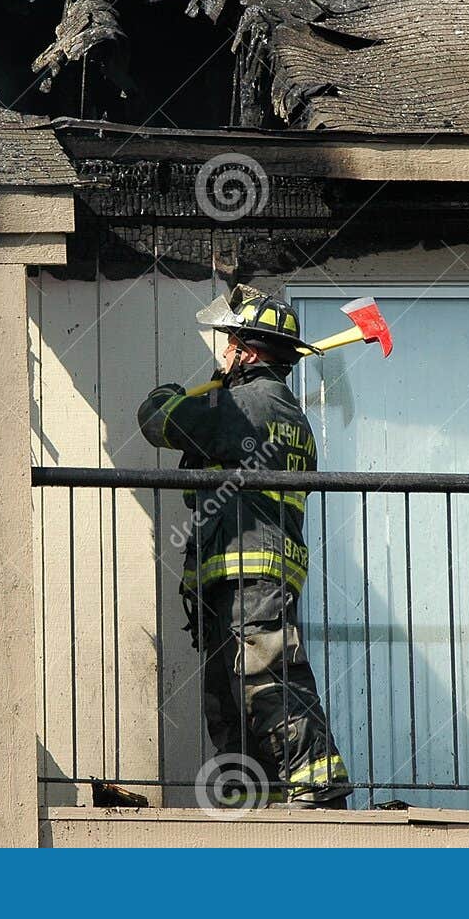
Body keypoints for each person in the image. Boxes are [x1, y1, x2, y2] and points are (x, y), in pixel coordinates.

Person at [137, 286, 347, 807]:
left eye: (229, 344)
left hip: (248, 569)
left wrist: (170, 392)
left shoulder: (239, 404)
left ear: (247, 351)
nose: (223, 353)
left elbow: (157, 420)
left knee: (267, 680)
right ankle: (260, 795)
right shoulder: (288, 413)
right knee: (231, 696)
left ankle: (322, 789)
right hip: (245, 571)